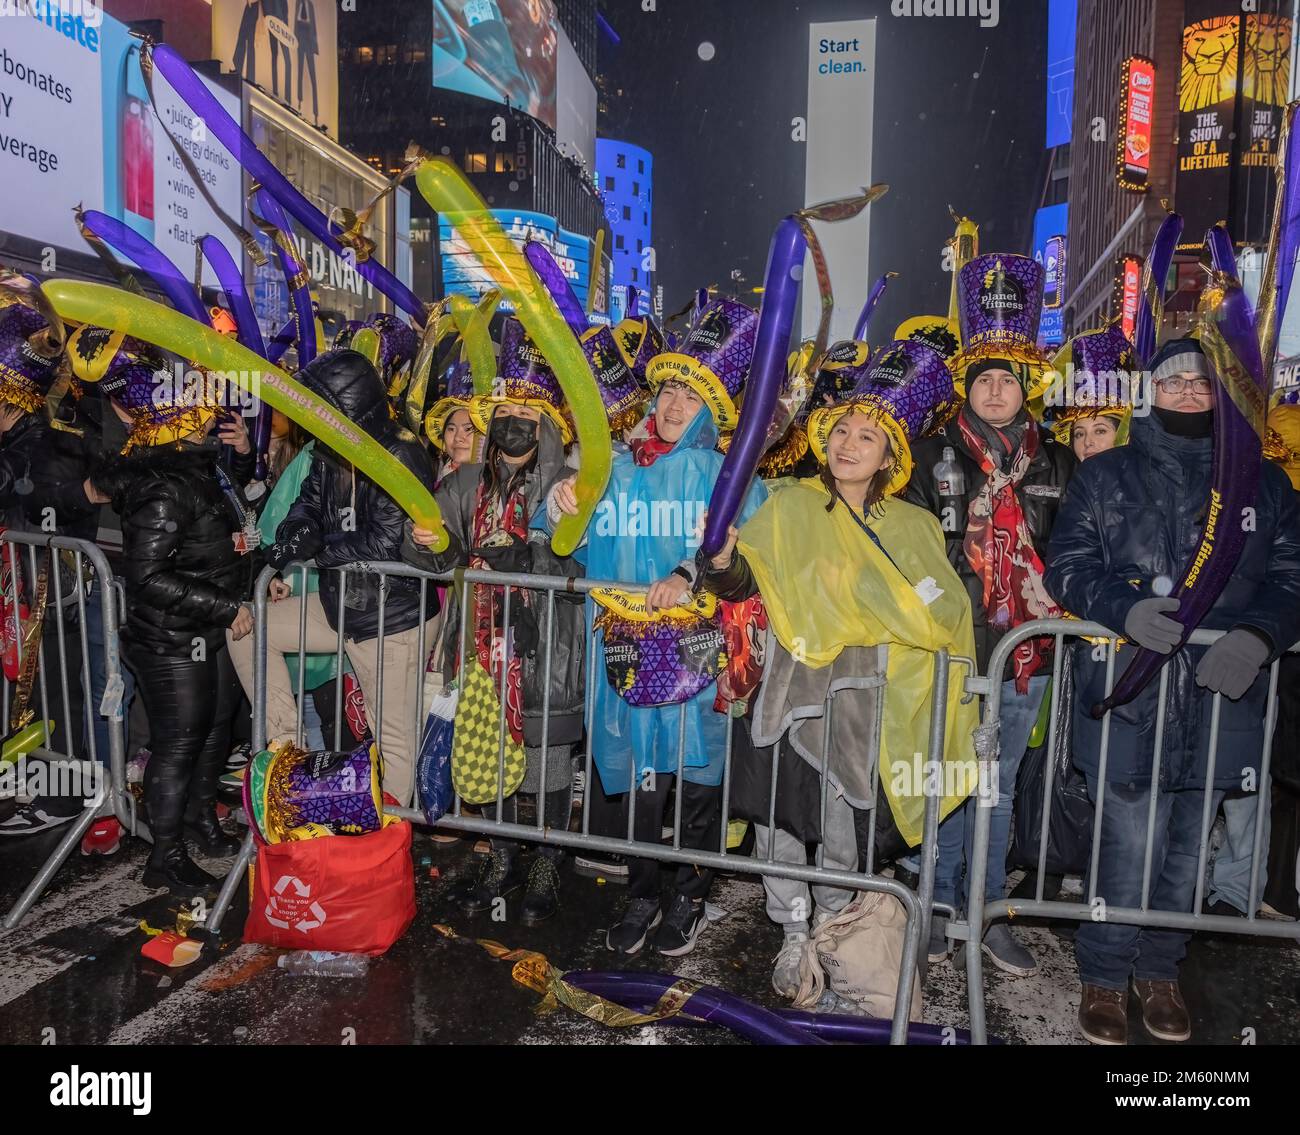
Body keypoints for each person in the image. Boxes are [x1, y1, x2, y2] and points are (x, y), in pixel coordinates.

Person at [700, 340, 980, 998]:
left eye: (868, 436)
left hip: (864, 708)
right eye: (842, 431)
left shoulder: (911, 524)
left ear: (890, 457)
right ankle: (794, 933)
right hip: (790, 694)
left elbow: (940, 610)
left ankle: (835, 927)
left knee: (839, 829)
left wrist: (889, 623)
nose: (850, 444)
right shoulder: (793, 505)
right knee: (778, 821)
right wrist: (718, 561)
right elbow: (748, 578)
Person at [1045, 336, 1300, 1044]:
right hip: (1133, 692)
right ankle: (1103, 971)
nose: (1188, 390)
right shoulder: (1107, 475)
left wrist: (1258, 635)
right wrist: (1121, 608)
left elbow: (1293, 573)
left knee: (1190, 850)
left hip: (1224, 700)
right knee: (1126, 845)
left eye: (1202, 382)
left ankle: (1160, 968)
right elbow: (1067, 562)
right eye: (1173, 380)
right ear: (1148, 391)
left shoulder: (1264, 484)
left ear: (1222, 394)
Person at [551, 295, 768, 957]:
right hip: (623, 655)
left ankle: (689, 894)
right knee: (644, 784)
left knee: (698, 784)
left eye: (692, 396)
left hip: (698, 657)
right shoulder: (608, 465)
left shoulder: (723, 474)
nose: (675, 406)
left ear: (712, 411)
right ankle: (642, 891)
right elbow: (560, 540)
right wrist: (560, 498)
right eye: (670, 389)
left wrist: (692, 571)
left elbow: (750, 550)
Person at [904, 253, 1074, 975]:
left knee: (996, 788)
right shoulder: (930, 454)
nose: (997, 390)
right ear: (968, 389)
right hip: (948, 651)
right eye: (985, 379)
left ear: (1024, 390)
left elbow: (1071, 554)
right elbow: (910, 549)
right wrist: (941, 615)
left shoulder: (1057, 463)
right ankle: (936, 905)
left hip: (1021, 656)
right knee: (940, 780)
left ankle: (986, 909)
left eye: (1008, 380)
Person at [404, 319, 585, 924]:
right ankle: (503, 856)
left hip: (544, 644)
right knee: (495, 754)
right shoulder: (461, 482)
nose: (514, 421)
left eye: (527, 414)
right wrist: (426, 541)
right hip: (477, 641)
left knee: (544, 757)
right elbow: (442, 551)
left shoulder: (568, 484)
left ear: (547, 426)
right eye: (504, 409)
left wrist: (534, 550)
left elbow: (581, 558)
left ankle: (547, 861)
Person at [228, 350, 439, 806]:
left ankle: (388, 845)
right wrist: (290, 538)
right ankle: (286, 753)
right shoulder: (327, 449)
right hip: (340, 603)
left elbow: (385, 541)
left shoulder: (400, 451)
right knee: (246, 627)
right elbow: (307, 504)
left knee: (393, 742)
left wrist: (316, 550)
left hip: (391, 618)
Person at [84, 344, 248, 895]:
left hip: (205, 631)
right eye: (200, 409)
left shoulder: (194, 470)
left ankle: (201, 822)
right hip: (170, 638)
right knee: (180, 741)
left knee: (215, 727)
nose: (212, 416)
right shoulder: (161, 486)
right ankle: (166, 854)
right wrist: (228, 607)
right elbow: (148, 576)